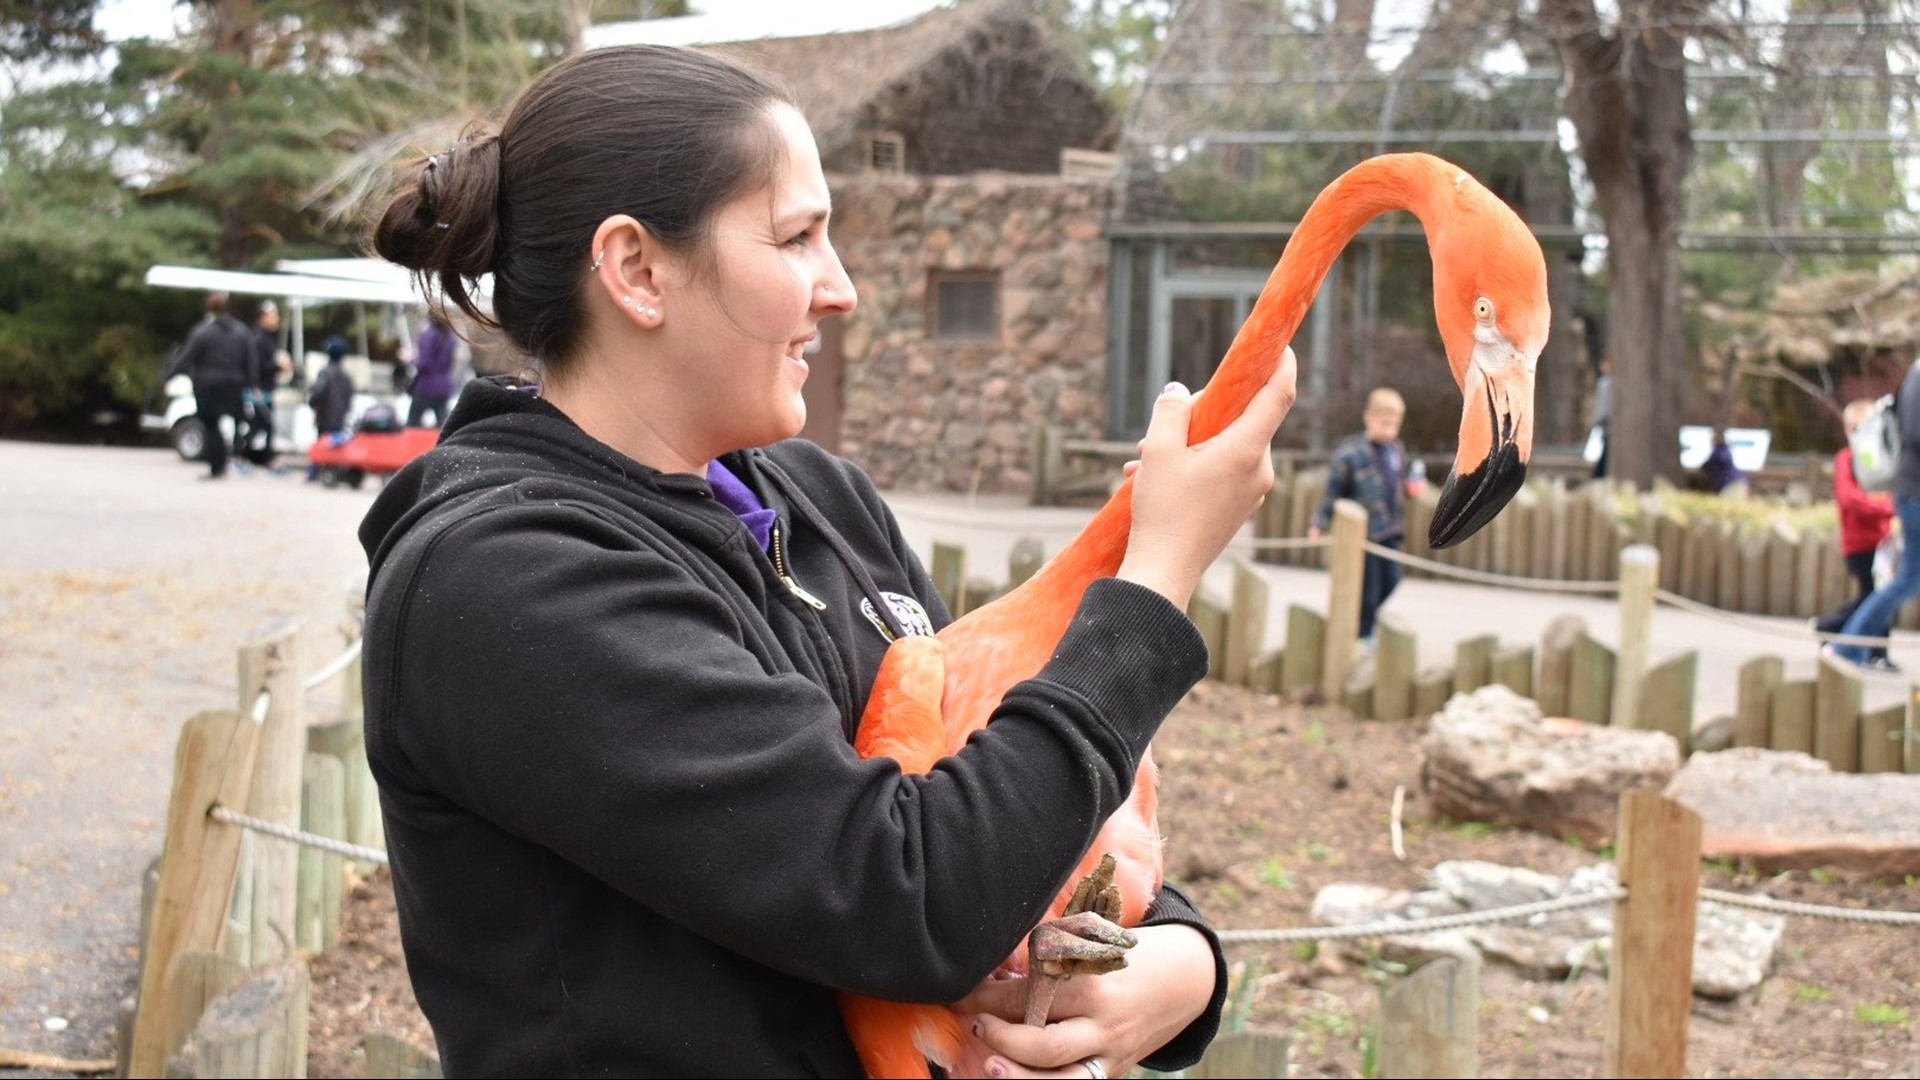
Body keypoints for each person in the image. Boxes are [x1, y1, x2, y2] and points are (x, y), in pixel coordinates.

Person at [360, 44, 1296, 1078]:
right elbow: (914, 896)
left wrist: (1176, 956)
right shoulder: (505, 578)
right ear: (636, 269)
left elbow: (1014, 808)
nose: (841, 289)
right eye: (799, 237)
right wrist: (1154, 582)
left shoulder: (822, 503)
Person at [1831, 360, 1920, 672]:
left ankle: (1851, 645)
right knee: (1907, 579)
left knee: (1904, 580)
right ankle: (1848, 645)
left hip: (1902, 502)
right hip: (1912, 495)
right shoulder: (1919, 376)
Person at [1310, 387, 1411, 643]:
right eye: (1385, 423)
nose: (1390, 429)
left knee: (1393, 579)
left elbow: (1399, 484)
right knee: (1369, 587)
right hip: (1363, 533)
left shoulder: (1396, 451)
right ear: (1369, 418)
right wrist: (1320, 523)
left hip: (1389, 528)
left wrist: (1410, 487)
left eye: (1395, 424)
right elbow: (1332, 493)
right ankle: (1363, 633)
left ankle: (1363, 623)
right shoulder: (1350, 454)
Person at [1812, 398, 1896, 666]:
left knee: (1874, 595)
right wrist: (1886, 508)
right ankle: (1869, 648)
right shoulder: (1846, 459)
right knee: (1879, 595)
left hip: (1881, 542)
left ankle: (1836, 628)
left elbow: (1888, 492)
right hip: (1860, 543)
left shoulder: (1876, 460)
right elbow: (1851, 500)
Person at [168, 291, 253, 480]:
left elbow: (187, 357)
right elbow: (250, 360)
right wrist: (252, 382)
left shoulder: (202, 331)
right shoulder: (241, 331)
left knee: (211, 425)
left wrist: (171, 374)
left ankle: (218, 466)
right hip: (234, 384)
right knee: (240, 423)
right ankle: (236, 458)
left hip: (208, 385)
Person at [242, 300, 282, 467]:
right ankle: (241, 453)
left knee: (265, 424)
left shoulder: (269, 339)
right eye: (272, 316)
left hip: (266, 387)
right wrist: (279, 366)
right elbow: (257, 366)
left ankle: (265, 455)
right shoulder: (258, 339)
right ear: (262, 318)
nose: (276, 320)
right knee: (260, 424)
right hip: (259, 389)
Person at [405, 311, 456, 427]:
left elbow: (424, 363)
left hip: (426, 385)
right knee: (442, 426)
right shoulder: (450, 337)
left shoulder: (428, 334)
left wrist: (410, 359)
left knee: (412, 424)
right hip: (444, 386)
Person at [307, 335, 355, 443]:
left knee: (323, 446)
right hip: (340, 420)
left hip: (325, 419)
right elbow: (349, 398)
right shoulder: (346, 376)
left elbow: (319, 392)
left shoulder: (325, 373)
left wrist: (311, 402)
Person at [1698, 428, 1745, 493]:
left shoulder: (1717, 452)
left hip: (1728, 484)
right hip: (1740, 481)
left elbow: (1705, 466)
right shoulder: (1727, 450)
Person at [1588, 357, 1611, 480]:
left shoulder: (1605, 383)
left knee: (1604, 449)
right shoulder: (1605, 382)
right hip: (1605, 422)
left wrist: (1596, 420)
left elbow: (1601, 406)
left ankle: (1599, 475)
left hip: (1605, 422)